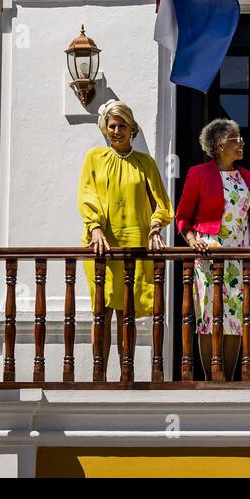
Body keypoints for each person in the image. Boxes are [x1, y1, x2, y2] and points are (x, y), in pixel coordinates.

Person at [174, 118, 250, 380]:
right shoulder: (198, 173)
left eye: (240, 139)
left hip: (240, 256)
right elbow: (182, 217)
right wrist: (192, 240)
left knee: (235, 321)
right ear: (219, 144)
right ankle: (212, 378)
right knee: (208, 320)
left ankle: (228, 379)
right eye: (236, 139)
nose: (241, 144)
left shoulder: (246, 176)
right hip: (209, 255)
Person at [78, 100, 173, 347]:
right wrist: (94, 227)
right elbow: (88, 196)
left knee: (126, 315)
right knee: (101, 312)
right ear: (104, 129)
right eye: (111, 126)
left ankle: (125, 379)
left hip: (135, 245)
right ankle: (100, 378)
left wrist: (155, 229)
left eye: (122, 125)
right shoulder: (94, 158)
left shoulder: (146, 163)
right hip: (102, 245)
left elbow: (161, 204)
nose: (116, 131)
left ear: (132, 129)